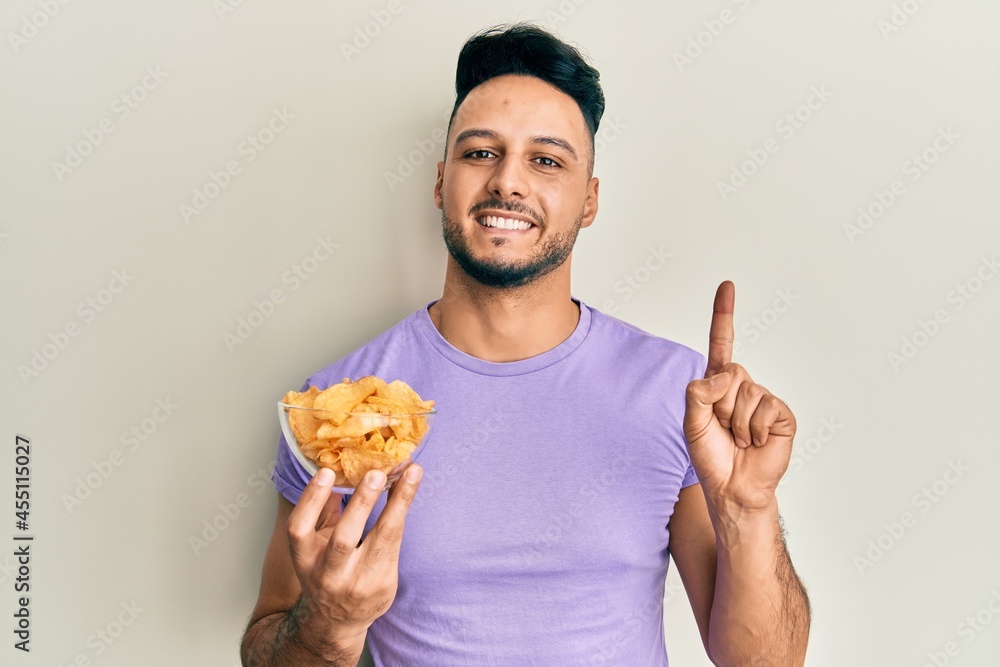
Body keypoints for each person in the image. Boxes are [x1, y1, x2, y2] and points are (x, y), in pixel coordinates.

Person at [240, 22, 811, 666]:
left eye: (546, 160)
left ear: (589, 200)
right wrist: (331, 624)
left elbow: (766, 663)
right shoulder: (335, 411)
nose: (507, 182)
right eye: (481, 152)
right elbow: (269, 643)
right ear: (440, 182)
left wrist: (748, 510)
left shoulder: (681, 395)